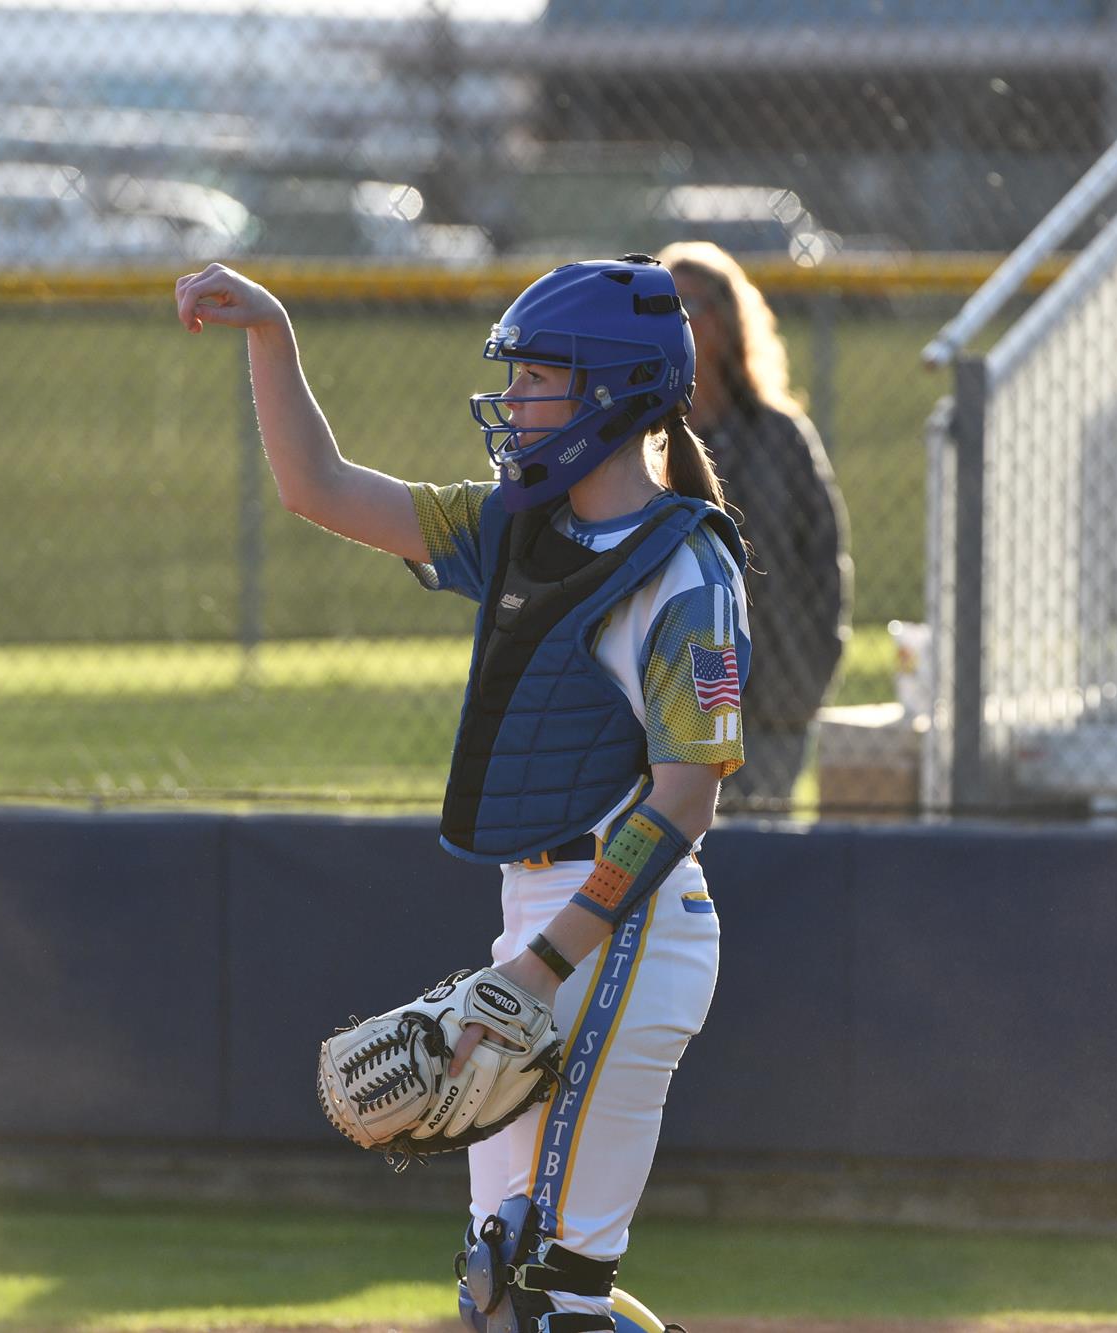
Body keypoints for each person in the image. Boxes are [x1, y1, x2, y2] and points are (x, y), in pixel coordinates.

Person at [174, 255, 747, 1333]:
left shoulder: (686, 571)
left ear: (613, 391)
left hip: (622, 933)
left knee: (552, 1295)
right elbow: (320, 489)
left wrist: (539, 967)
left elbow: (679, 802)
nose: (515, 399)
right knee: (495, 1282)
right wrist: (273, 337)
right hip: (539, 921)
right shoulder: (519, 531)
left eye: (539, 376)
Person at [658, 242, 850, 813]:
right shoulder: (638, 439)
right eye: (666, 307)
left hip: (770, 699)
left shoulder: (780, 434)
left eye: (690, 304)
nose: (681, 322)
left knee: (760, 861)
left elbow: (826, 561)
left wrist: (806, 680)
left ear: (728, 317)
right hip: (665, 703)